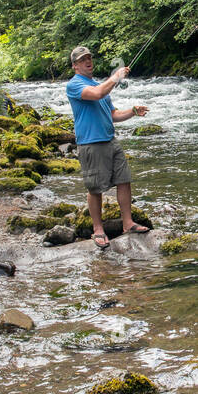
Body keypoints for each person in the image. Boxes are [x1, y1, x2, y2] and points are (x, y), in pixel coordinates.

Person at [65, 45, 151, 248]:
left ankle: (127, 223)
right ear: (75, 66)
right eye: (82, 59)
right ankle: (98, 229)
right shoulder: (75, 85)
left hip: (110, 140)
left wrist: (132, 111)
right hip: (90, 143)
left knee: (124, 180)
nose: (88, 61)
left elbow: (112, 115)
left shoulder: (99, 85)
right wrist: (115, 77)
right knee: (95, 188)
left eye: (89, 57)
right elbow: (95, 94)